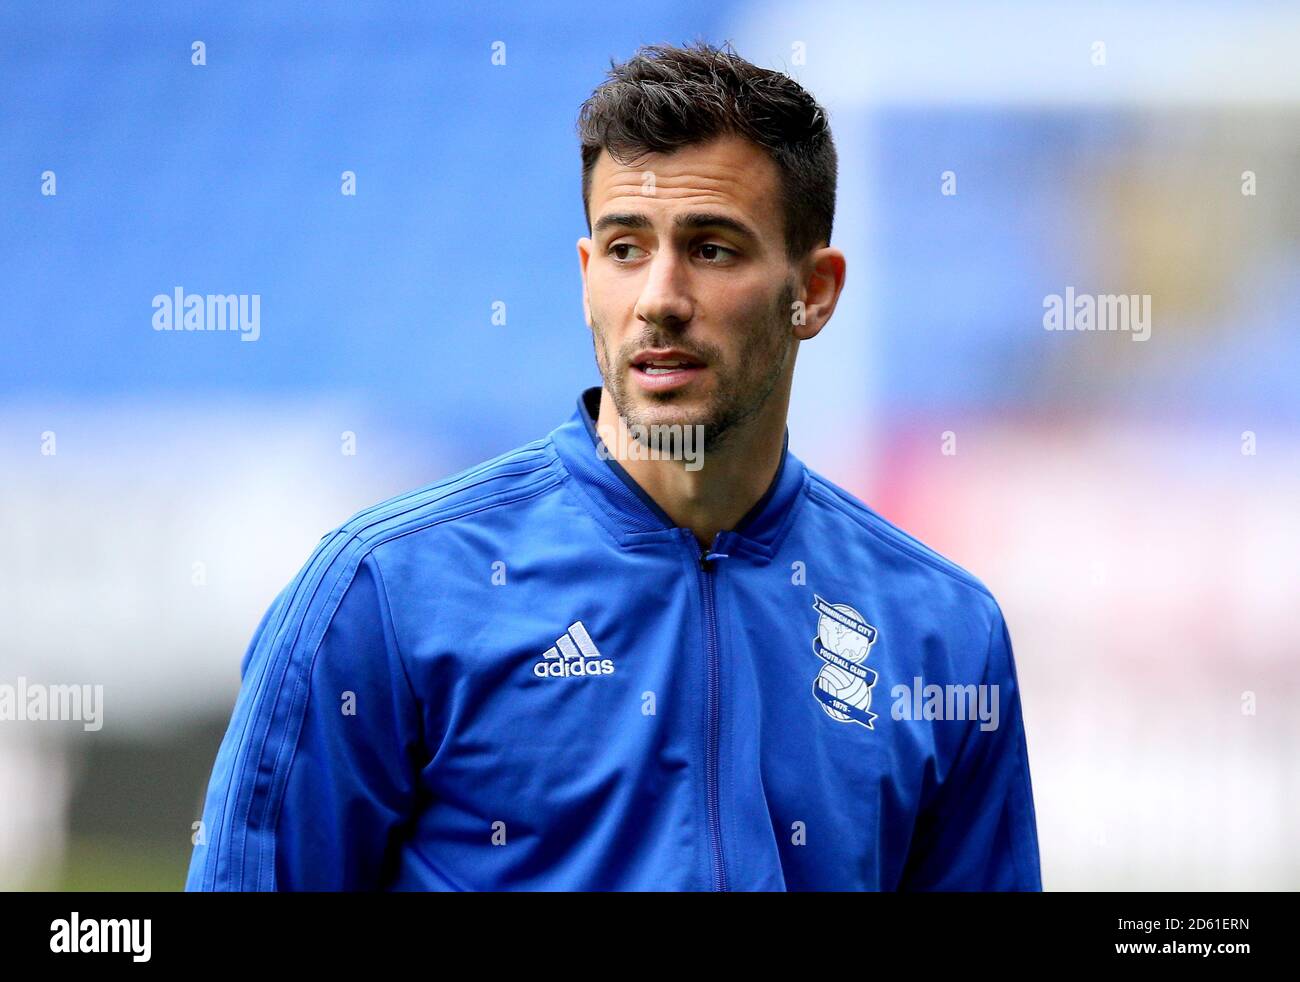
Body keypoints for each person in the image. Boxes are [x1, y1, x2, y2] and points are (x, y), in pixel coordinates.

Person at [186, 40, 1041, 892]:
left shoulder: (943, 632)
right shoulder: (383, 593)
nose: (660, 298)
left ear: (812, 291)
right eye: (628, 248)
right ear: (588, 273)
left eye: (712, 249)